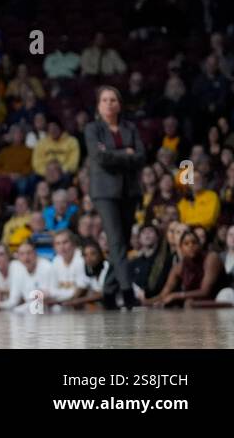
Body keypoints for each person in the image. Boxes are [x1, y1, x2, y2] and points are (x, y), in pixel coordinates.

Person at [85, 85, 145, 308]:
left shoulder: (130, 128)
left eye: (113, 100)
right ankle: (127, 292)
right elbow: (99, 158)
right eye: (104, 100)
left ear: (119, 104)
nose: (109, 104)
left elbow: (140, 156)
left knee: (124, 242)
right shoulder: (93, 129)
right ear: (98, 105)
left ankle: (109, 292)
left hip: (130, 190)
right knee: (117, 241)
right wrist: (125, 154)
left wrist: (115, 155)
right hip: (105, 192)